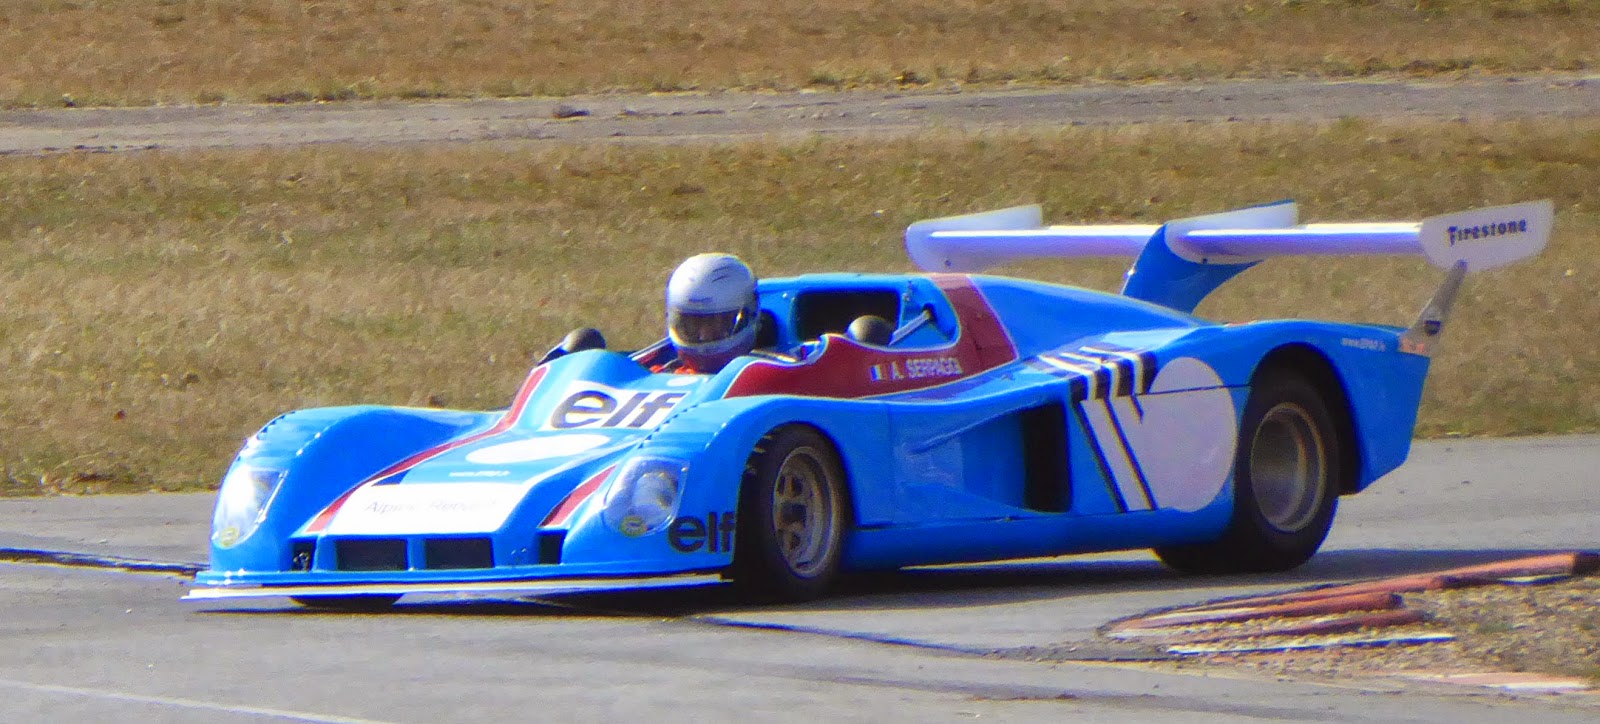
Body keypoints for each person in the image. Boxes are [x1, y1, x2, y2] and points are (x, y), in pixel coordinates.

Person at [658, 253, 759, 374]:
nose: (703, 337)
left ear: (750, 315)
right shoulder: (658, 374)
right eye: (692, 326)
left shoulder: (772, 374)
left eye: (716, 325)